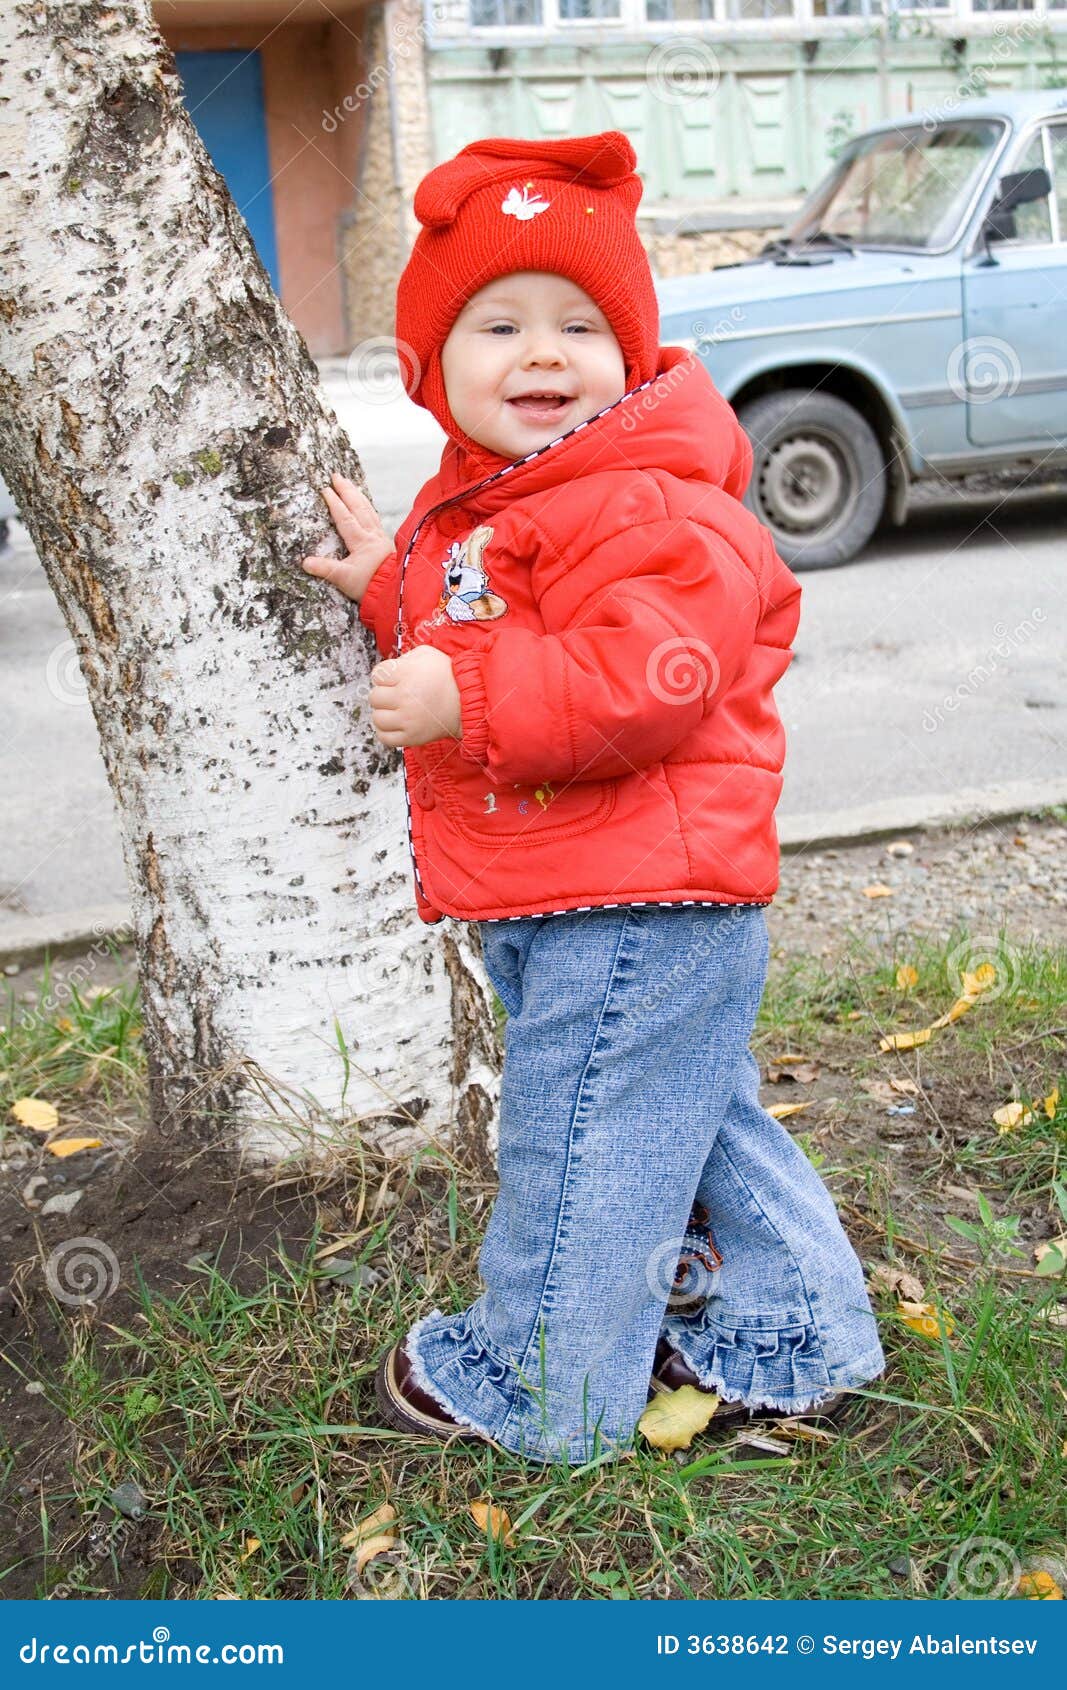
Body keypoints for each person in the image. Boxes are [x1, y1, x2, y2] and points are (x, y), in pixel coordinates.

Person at [301, 131, 886, 1466]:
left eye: (580, 326)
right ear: (430, 367)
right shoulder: (507, 496)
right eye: (500, 324)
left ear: (629, 354)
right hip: (601, 889)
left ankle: (541, 1384)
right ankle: (795, 1330)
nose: (545, 354)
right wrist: (392, 585)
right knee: (685, 1115)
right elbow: (497, 612)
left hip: (637, 902)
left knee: (581, 1137)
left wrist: (464, 695)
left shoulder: (653, 498)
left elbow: (643, 679)